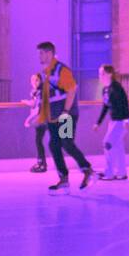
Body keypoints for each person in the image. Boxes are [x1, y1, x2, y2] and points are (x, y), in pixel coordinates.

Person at [36, 41, 94, 192]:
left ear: (49, 53)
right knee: (54, 144)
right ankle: (63, 178)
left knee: (66, 142)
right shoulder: (47, 72)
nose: (39, 56)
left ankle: (87, 170)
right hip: (53, 117)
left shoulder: (61, 70)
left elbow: (72, 90)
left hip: (65, 115)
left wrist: (66, 112)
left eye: (42, 53)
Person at [93, 65, 129, 180]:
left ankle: (109, 172)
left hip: (121, 120)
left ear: (109, 74)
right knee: (118, 145)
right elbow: (105, 107)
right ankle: (122, 172)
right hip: (113, 120)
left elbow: (125, 103)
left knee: (107, 143)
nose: (100, 76)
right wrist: (98, 123)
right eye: (99, 74)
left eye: (102, 73)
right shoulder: (105, 89)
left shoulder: (116, 87)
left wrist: (126, 119)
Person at [22, 71, 48, 173]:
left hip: (43, 118)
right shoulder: (36, 92)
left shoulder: (40, 92)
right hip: (41, 118)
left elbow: (37, 107)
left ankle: (42, 163)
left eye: (37, 80)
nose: (35, 82)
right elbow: (34, 104)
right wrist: (26, 102)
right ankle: (41, 162)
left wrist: (28, 119)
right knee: (38, 140)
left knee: (39, 140)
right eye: (33, 80)